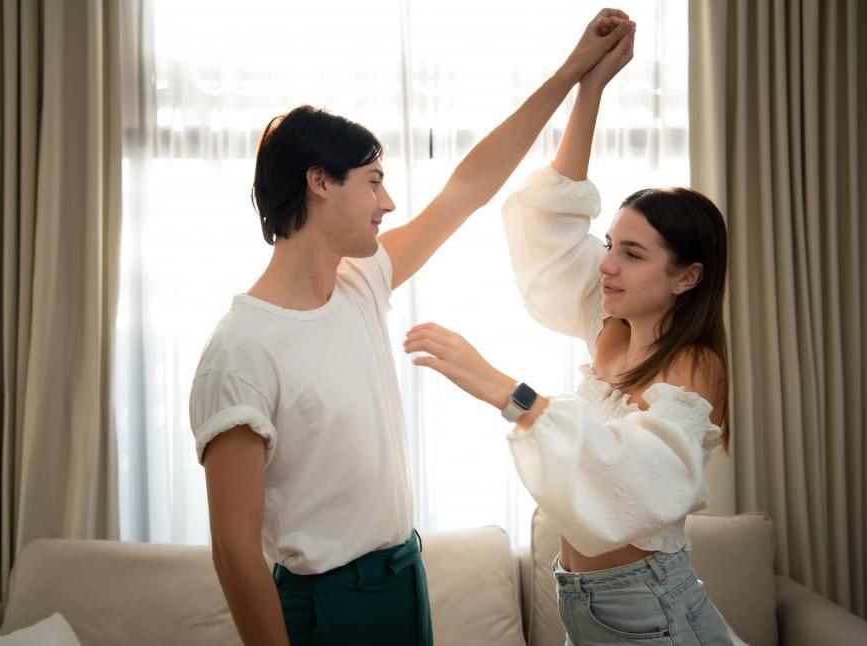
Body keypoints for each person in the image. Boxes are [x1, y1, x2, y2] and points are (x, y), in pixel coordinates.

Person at [188, 9, 636, 646]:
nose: (388, 203)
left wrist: (573, 75)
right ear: (319, 183)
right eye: (374, 183)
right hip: (329, 605)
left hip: (403, 576)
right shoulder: (239, 349)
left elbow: (470, 185)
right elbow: (234, 553)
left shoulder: (360, 281)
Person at [404, 17, 736, 645]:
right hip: (586, 606)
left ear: (688, 277)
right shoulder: (609, 325)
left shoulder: (692, 367)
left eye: (633, 254)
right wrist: (591, 87)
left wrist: (504, 390)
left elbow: (633, 482)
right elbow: (553, 221)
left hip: (651, 610)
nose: (606, 263)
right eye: (611, 244)